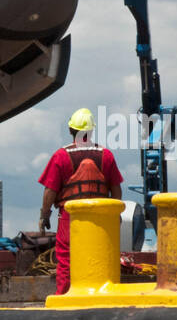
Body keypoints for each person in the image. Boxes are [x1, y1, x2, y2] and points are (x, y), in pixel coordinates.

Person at [37, 107, 124, 295]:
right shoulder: (106, 155)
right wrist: (115, 215)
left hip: (71, 217)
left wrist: (44, 216)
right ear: (91, 131)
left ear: (70, 131)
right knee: (99, 259)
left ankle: (65, 300)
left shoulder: (61, 156)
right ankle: (99, 299)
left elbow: (49, 192)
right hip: (100, 219)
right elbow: (116, 189)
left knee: (67, 260)